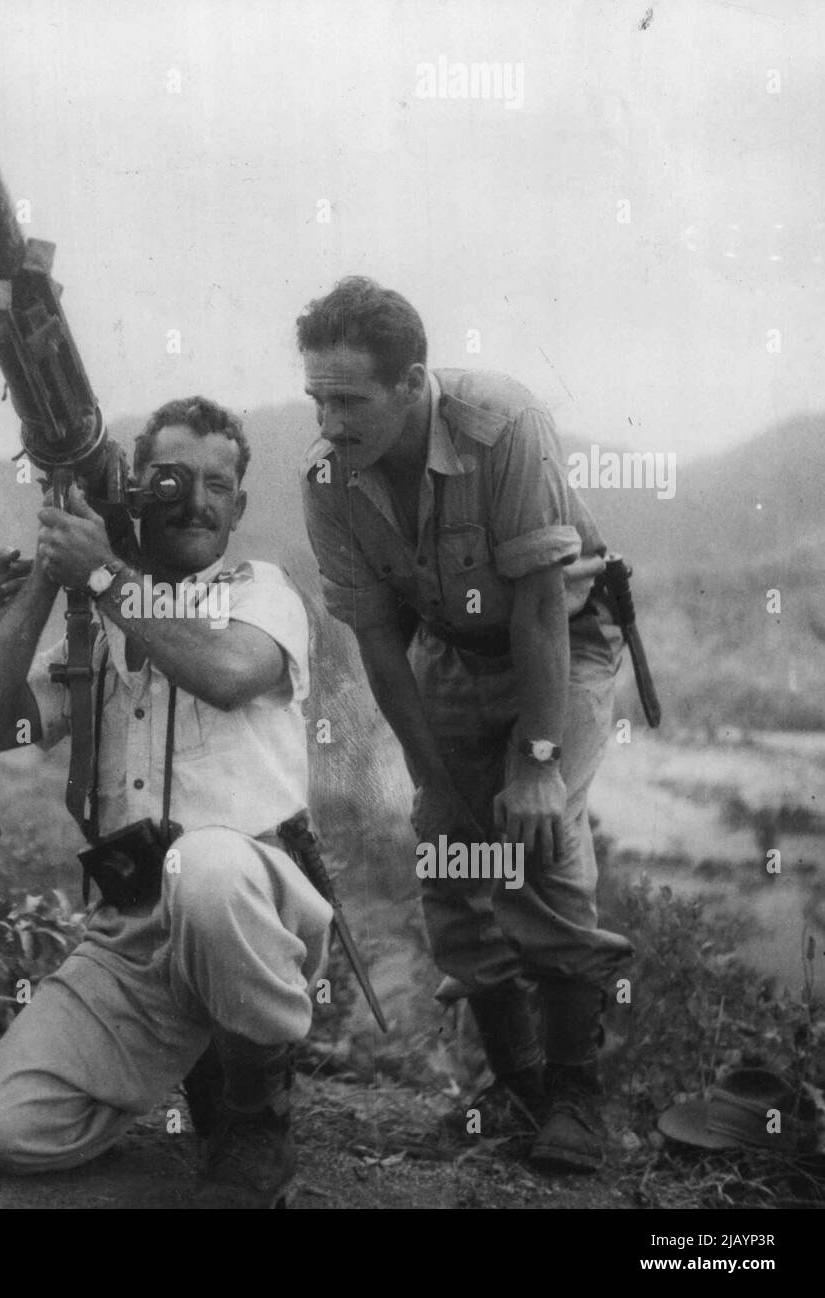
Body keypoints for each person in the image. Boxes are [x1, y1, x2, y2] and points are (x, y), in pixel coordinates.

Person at [0, 396, 331, 1208]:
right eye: (172, 480)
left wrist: (102, 573)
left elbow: (227, 674)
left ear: (241, 504)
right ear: (133, 492)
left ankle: (257, 1120)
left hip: (253, 911)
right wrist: (34, 599)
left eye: (217, 485)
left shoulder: (262, 592)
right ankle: (188, 1066)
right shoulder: (100, 621)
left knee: (207, 867)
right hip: (136, 931)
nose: (195, 502)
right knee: (5, 1130)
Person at [296, 277, 631, 1172]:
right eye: (317, 397)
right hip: (448, 653)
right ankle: (516, 1087)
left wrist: (535, 761)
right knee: (451, 853)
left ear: (413, 382)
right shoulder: (329, 479)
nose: (329, 421)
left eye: (349, 398)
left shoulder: (504, 427)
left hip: (561, 641)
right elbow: (376, 638)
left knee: (539, 840)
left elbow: (540, 612)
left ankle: (577, 1096)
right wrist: (432, 777)